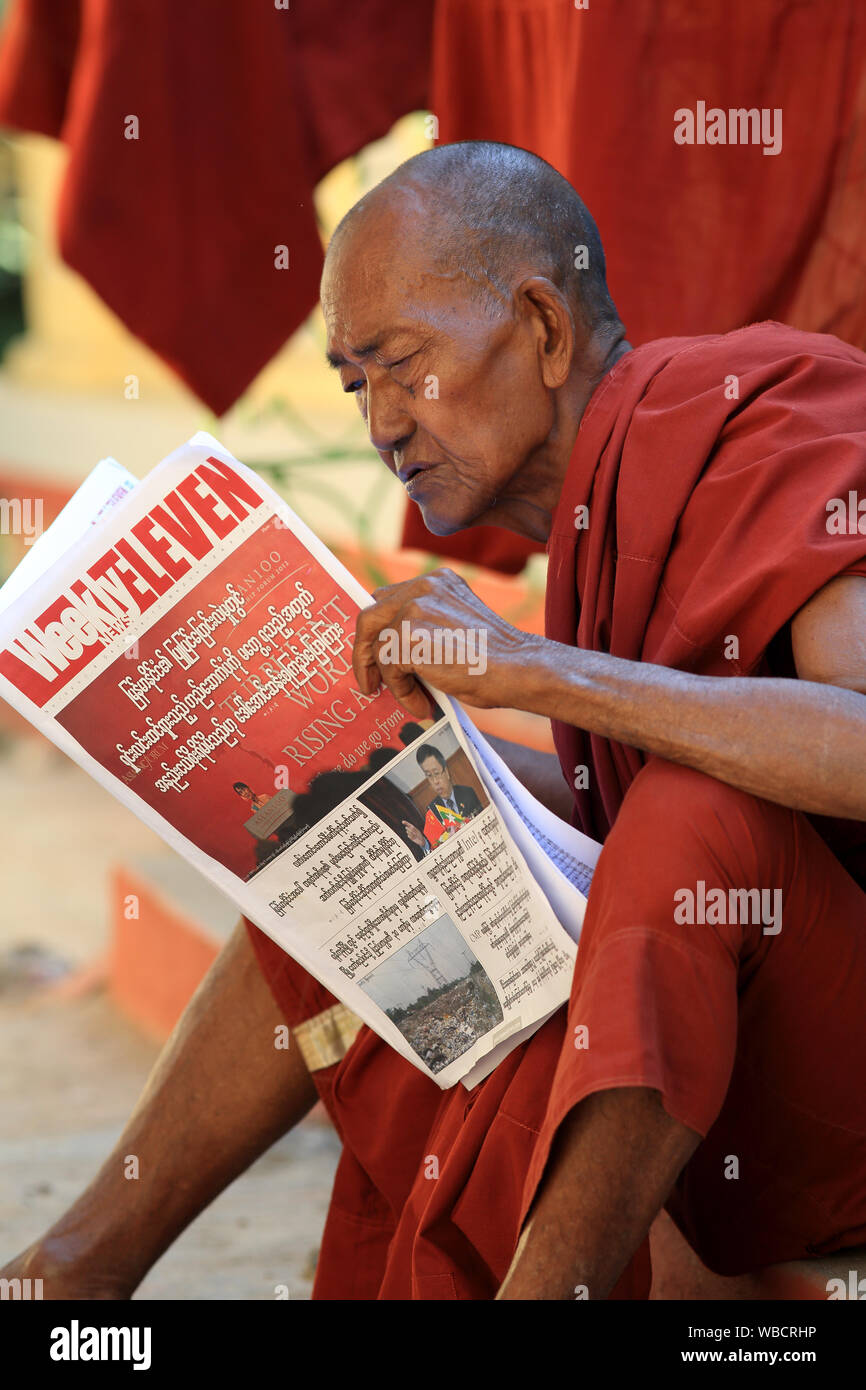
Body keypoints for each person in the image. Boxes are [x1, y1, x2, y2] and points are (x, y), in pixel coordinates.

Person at [5, 141, 866, 1301]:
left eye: (404, 365)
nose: (381, 425)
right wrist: (444, 750)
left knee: (689, 812)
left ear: (543, 328)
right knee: (374, 802)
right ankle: (76, 1268)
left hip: (837, 1067)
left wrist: (534, 669)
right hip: (727, 1055)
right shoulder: (588, 526)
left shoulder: (759, 413)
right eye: (357, 385)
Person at [402, 744, 484, 854]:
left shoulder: (467, 793)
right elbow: (436, 850)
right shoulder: (432, 811)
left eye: (436, 773)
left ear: (446, 772)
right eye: (429, 776)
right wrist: (423, 843)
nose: (435, 781)